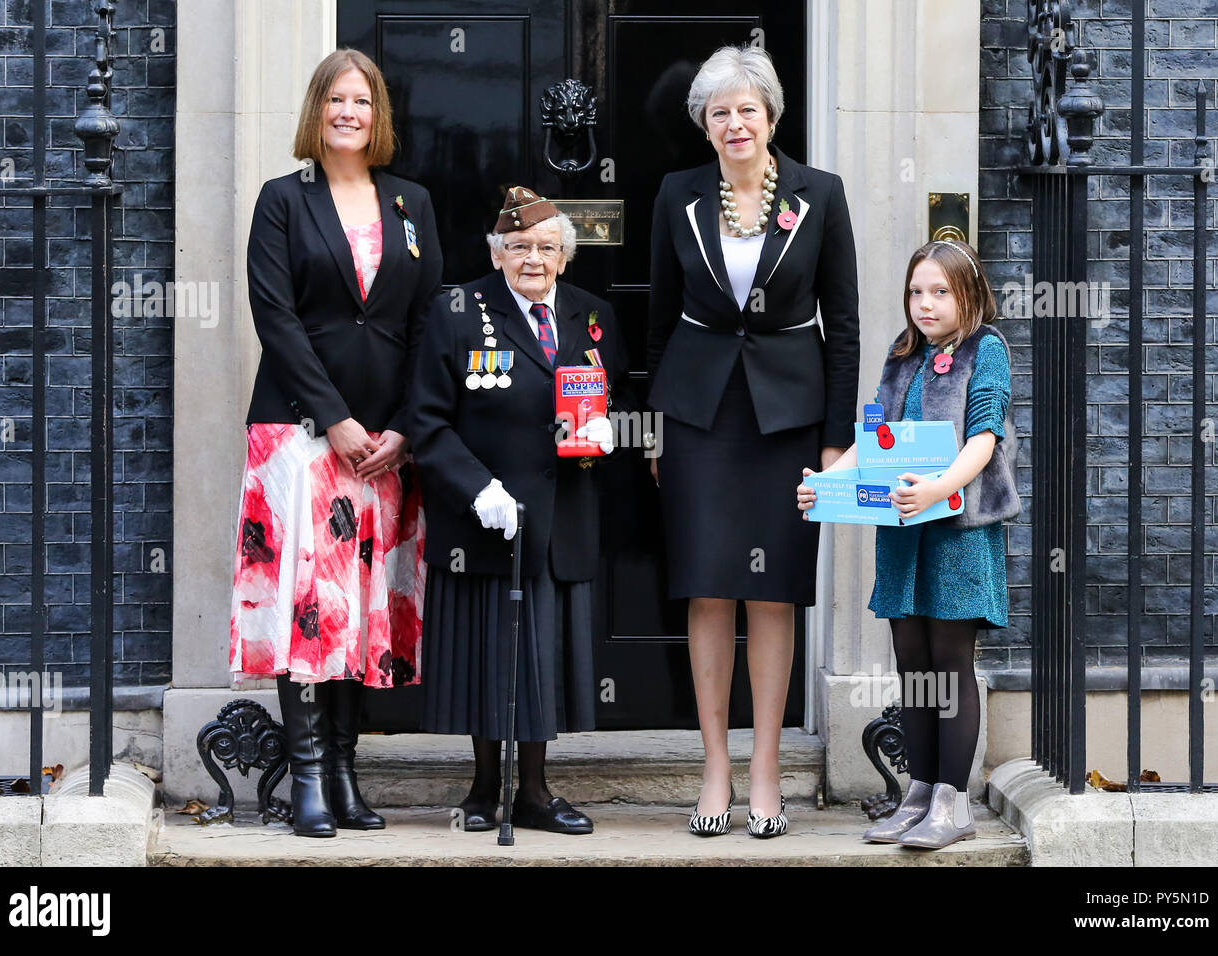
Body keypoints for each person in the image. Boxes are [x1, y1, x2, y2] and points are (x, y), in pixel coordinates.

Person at [647, 45, 860, 837]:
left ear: (771, 116)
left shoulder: (820, 195)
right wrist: (651, 427)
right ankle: (714, 767)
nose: (734, 123)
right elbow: (658, 317)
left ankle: (766, 765)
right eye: (719, 111)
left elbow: (843, 325)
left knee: (773, 592)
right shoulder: (678, 195)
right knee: (708, 585)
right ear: (704, 126)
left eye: (747, 109)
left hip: (788, 418)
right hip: (699, 414)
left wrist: (837, 440)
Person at [230, 48, 443, 837]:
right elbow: (275, 317)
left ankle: (348, 773)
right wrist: (339, 419)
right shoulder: (284, 200)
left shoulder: (412, 202)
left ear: (378, 114)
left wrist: (403, 426)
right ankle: (309, 776)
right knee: (307, 609)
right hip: (300, 434)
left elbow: (427, 322)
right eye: (336, 101)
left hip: (386, 444)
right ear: (316, 112)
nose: (348, 113)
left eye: (362, 101)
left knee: (358, 612)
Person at [410, 187, 634, 834]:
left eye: (545, 248)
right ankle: (485, 790)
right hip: (485, 518)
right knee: (487, 654)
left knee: (541, 659)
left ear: (564, 257)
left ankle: (533, 791)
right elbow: (427, 419)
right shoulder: (457, 309)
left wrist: (611, 432)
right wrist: (475, 489)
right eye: (518, 248)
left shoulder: (593, 317)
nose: (531, 260)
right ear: (496, 253)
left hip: (561, 517)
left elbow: (609, 393)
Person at [796, 238, 1019, 849]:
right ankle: (917, 794)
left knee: (950, 665)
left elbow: (984, 439)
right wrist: (828, 482)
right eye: (916, 292)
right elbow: (878, 443)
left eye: (939, 292)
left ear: (968, 294)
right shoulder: (903, 356)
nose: (924, 304)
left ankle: (954, 802)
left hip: (958, 533)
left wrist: (938, 490)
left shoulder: (987, 350)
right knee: (913, 666)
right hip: (902, 533)